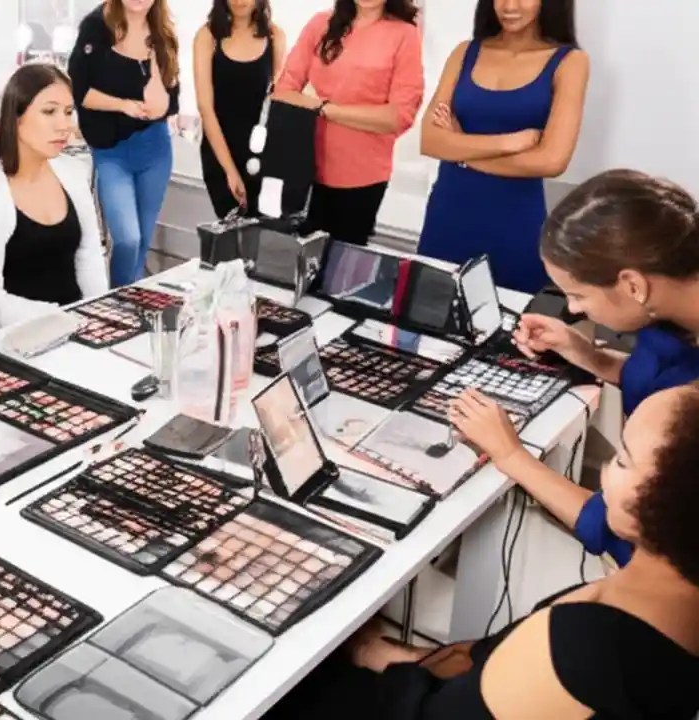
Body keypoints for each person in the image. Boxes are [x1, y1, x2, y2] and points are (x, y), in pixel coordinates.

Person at [278, 384, 699, 719]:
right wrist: (375, 651)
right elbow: (482, 664)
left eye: (622, 461)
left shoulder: (586, 646)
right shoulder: (668, 596)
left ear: (667, 504)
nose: (605, 469)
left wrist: (371, 658)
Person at [452, 170, 699, 569]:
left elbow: (630, 538)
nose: (575, 309)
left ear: (633, 286)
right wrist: (585, 353)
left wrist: (510, 454)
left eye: (577, 295)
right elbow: (655, 376)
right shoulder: (671, 306)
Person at [418, 0, 588, 293]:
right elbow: (430, 141)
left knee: (511, 326)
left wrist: (461, 151)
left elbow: (551, 161)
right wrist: (510, 142)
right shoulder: (465, 52)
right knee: (429, 314)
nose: (509, 6)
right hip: (448, 213)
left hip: (514, 222)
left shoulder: (570, 62)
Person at [0, 65, 108, 329]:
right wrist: (62, 320)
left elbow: (90, 256)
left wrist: (97, 319)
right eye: (49, 111)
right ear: (16, 117)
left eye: (69, 112)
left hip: (77, 329)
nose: (65, 125)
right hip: (18, 339)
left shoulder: (73, 173)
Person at [273, 0, 424, 245]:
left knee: (342, 271)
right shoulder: (320, 24)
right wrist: (323, 109)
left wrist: (326, 109)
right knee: (296, 265)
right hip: (306, 171)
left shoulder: (404, 34)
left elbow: (399, 116)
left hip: (362, 177)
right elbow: (283, 92)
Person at [69, 0, 180, 287]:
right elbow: (80, 91)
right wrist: (122, 105)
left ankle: (132, 306)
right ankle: (118, 301)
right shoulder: (95, 28)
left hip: (154, 147)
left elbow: (168, 102)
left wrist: (156, 68)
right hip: (111, 151)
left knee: (142, 239)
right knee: (127, 238)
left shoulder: (163, 33)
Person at [194, 0, 286, 217]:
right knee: (231, 235)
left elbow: (279, 101)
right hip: (220, 151)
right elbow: (205, 108)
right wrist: (230, 171)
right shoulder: (207, 37)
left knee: (259, 235)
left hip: (261, 154)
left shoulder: (275, 36)